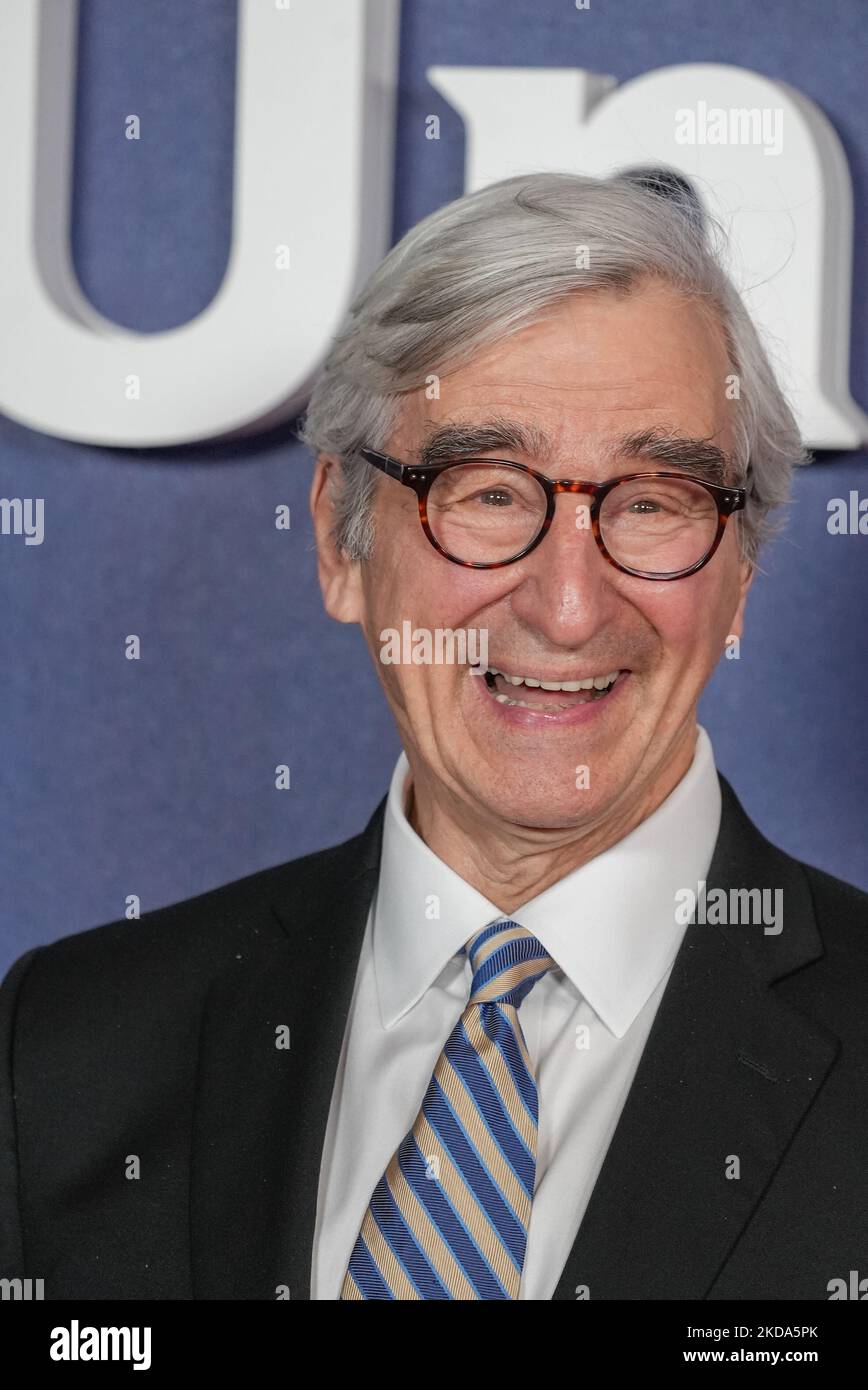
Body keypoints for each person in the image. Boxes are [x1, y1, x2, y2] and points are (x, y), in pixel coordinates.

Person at [2, 171, 866, 1301]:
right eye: (488, 493)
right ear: (339, 539)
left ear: (740, 568)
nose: (567, 605)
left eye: (654, 501)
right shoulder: (68, 1051)